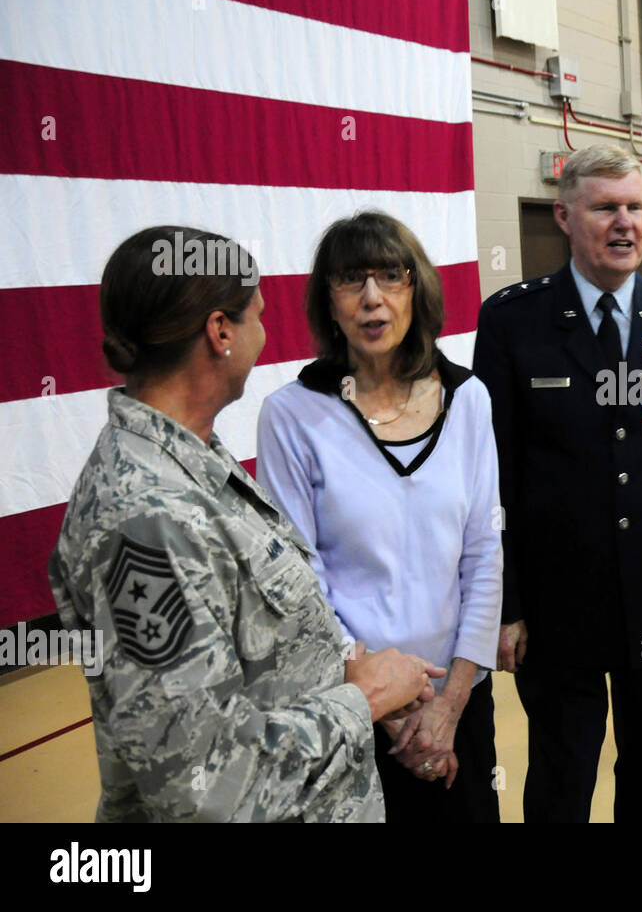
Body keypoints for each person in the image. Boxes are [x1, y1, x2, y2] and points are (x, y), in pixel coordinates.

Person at [48, 226, 442, 822]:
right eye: (256, 316)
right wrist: (362, 698)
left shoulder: (194, 459)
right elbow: (201, 785)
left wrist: (342, 676)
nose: (267, 332)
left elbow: (252, 647)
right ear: (220, 332)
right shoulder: (148, 518)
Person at [473, 144, 642, 823]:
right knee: (562, 772)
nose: (625, 222)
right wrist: (504, 607)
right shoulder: (514, 321)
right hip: (556, 600)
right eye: (606, 208)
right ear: (564, 215)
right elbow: (491, 474)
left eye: (635, 206)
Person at [257, 212, 503, 823]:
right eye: (351, 280)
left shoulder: (468, 399)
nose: (372, 298)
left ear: (415, 290)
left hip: (459, 704)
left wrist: (444, 709)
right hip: (350, 709)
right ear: (328, 301)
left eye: (390, 277)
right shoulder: (292, 416)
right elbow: (298, 584)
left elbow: (483, 554)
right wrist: (392, 713)